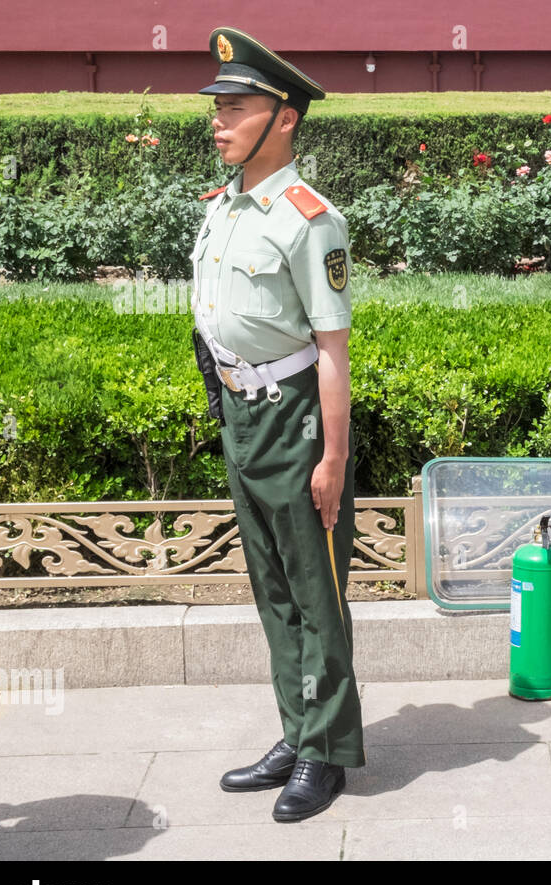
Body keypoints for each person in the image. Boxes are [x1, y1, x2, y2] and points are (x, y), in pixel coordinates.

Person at [189, 27, 363, 822]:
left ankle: (325, 753)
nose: (218, 121)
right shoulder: (225, 208)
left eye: (236, 107)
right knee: (273, 591)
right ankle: (296, 731)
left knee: (316, 592)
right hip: (242, 415)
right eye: (217, 107)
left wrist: (333, 455)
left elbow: (332, 349)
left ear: (284, 118)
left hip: (294, 421)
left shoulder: (307, 218)